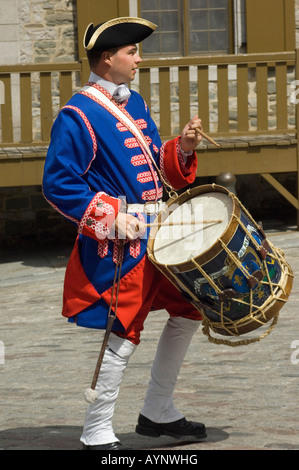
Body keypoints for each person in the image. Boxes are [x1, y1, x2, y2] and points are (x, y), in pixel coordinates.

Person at [43, 17, 207, 450]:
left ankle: (158, 410)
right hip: (123, 244)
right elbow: (59, 183)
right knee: (125, 329)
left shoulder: (134, 104)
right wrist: (109, 216)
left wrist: (183, 148)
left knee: (190, 309)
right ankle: (96, 429)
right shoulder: (77, 114)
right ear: (106, 59)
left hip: (159, 234)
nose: (138, 58)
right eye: (131, 52)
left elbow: (155, 165)